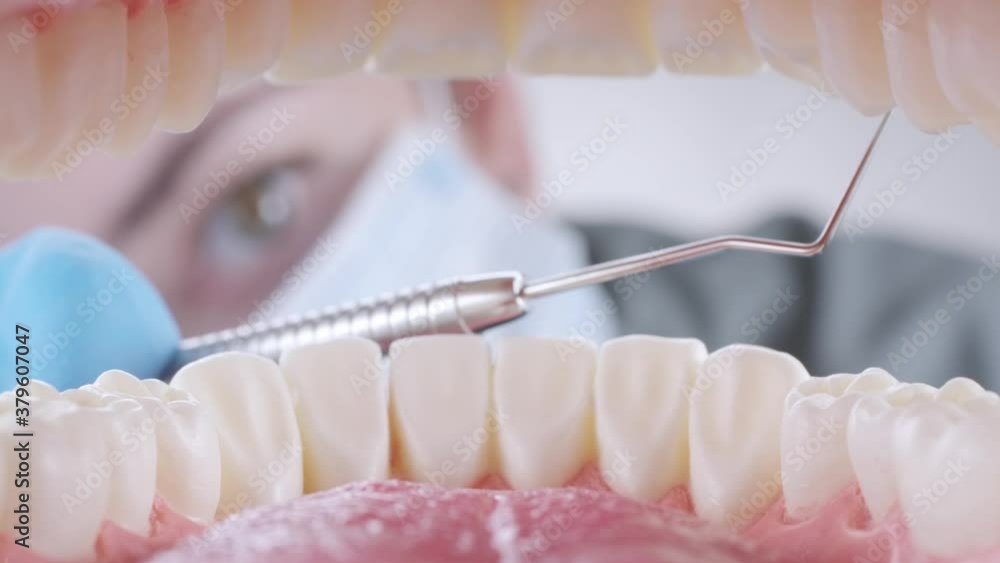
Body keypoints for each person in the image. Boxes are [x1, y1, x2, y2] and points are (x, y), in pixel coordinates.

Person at [4, 75, 1000, 392]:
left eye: (257, 203)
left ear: (479, 110)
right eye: (25, 362)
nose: (139, 398)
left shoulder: (955, 374)